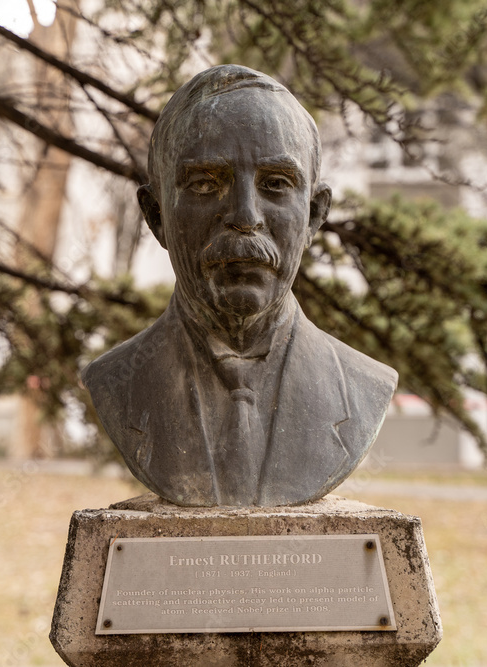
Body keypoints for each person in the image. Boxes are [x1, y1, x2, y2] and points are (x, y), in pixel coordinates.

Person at [83, 65, 397, 507]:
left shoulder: (363, 383)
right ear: (157, 217)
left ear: (313, 215)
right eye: (205, 184)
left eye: (275, 184)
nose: (246, 216)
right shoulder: (117, 381)